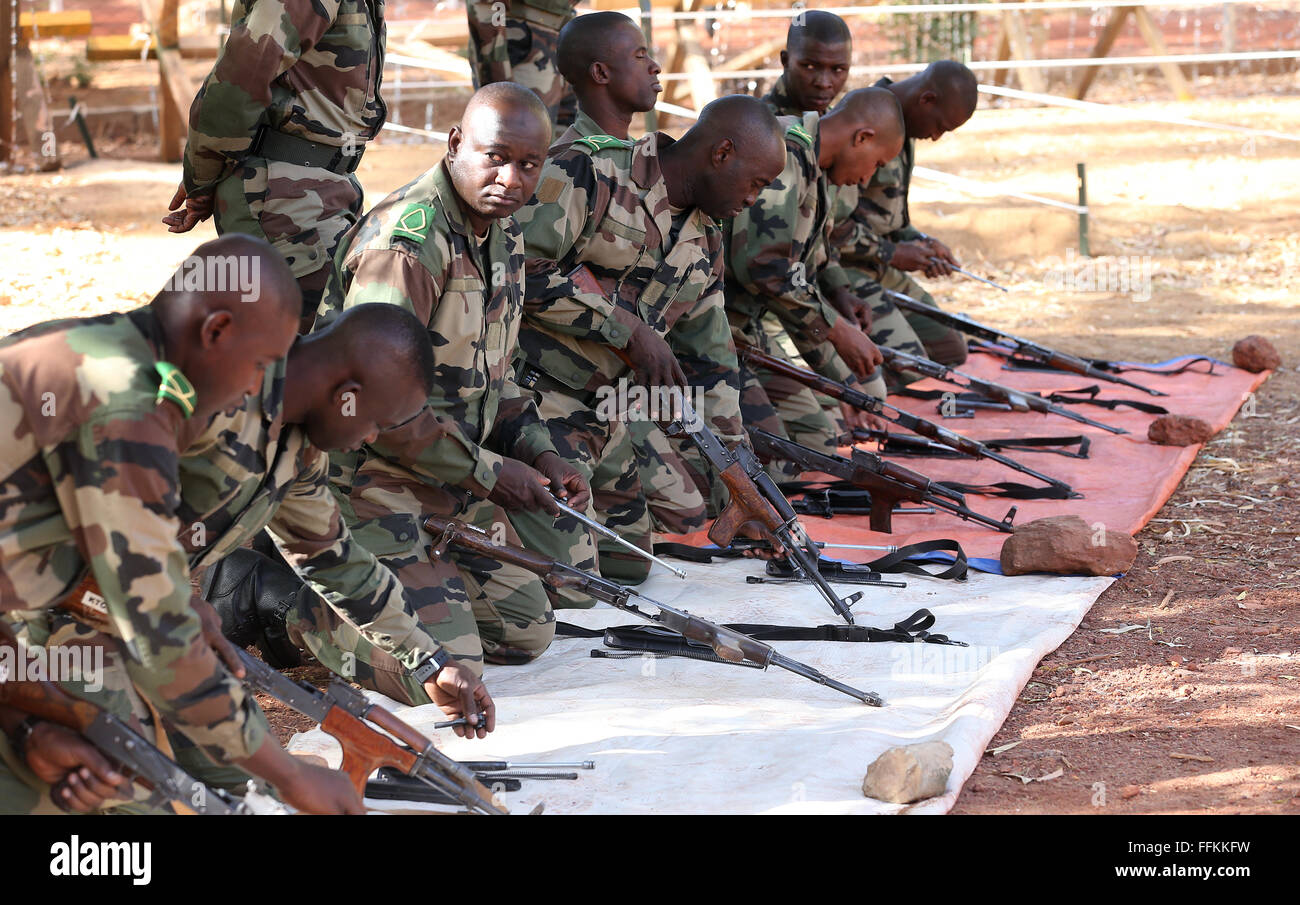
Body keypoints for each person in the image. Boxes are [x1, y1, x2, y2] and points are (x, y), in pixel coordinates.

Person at [0, 236, 362, 815]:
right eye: (261, 365)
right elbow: (156, 631)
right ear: (216, 331)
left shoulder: (116, 351)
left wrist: (28, 727)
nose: (254, 389)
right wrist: (288, 775)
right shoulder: (129, 404)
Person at [316, 83, 596, 675]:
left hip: (445, 473)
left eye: (529, 165)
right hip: (366, 477)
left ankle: (413, 585)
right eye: (495, 156)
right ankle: (298, 611)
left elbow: (501, 374)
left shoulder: (504, 232)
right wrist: (493, 474)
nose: (512, 179)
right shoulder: (408, 245)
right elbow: (378, 411)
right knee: (442, 669)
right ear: (455, 144)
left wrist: (542, 455)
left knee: (527, 632)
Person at [516, 90, 787, 581]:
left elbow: (713, 359)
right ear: (722, 153)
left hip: (608, 412)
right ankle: (481, 514)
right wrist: (627, 331)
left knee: (631, 566)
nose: (753, 200)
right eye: (755, 183)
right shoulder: (593, 171)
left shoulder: (706, 236)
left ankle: (547, 522)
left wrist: (741, 478)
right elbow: (521, 271)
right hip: (534, 402)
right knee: (572, 588)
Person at [162, 0, 388, 331]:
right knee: (306, 356)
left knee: (323, 355)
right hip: (282, 199)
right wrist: (203, 176)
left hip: (326, 187)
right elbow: (241, 78)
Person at [724, 88, 901, 464]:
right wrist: (838, 331)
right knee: (778, 466)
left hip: (745, 331)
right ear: (862, 138)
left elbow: (803, 277)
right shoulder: (787, 153)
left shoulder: (815, 168)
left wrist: (848, 388)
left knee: (817, 441)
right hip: (709, 334)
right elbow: (766, 272)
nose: (869, 178)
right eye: (877, 163)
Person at [761, 10, 927, 381]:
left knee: (906, 367)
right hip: (767, 304)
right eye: (810, 66)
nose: (824, 82)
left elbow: (818, 236)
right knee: (839, 410)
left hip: (812, 288)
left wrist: (839, 291)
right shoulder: (767, 138)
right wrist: (833, 325)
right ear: (787, 61)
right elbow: (769, 268)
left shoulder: (832, 133)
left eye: (838, 70)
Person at [855, 60, 981, 366]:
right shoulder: (865, 122)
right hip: (846, 271)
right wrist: (892, 253)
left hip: (881, 264)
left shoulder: (905, 127)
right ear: (926, 100)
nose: (936, 137)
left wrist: (923, 243)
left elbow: (890, 217)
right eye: (939, 126)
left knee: (951, 350)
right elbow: (828, 225)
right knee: (913, 367)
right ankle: (850, 391)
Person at [467, 0, 581, 135]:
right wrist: (498, 82)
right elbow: (484, 7)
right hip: (521, 44)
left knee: (565, 148)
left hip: (564, 37)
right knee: (518, 140)